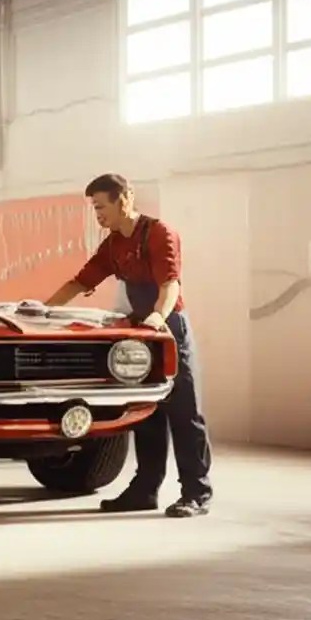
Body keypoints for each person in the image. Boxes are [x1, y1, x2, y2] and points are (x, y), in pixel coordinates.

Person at [44, 173, 213, 518]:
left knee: (184, 414)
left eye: (101, 207)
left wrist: (158, 317)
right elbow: (80, 281)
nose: (98, 215)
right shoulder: (113, 245)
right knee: (147, 412)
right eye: (94, 208)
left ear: (124, 199)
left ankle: (197, 493)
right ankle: (145, 489)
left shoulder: (159, 233)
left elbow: (170, 284)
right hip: (141, 332)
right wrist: (41, 311)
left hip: (169, 329)